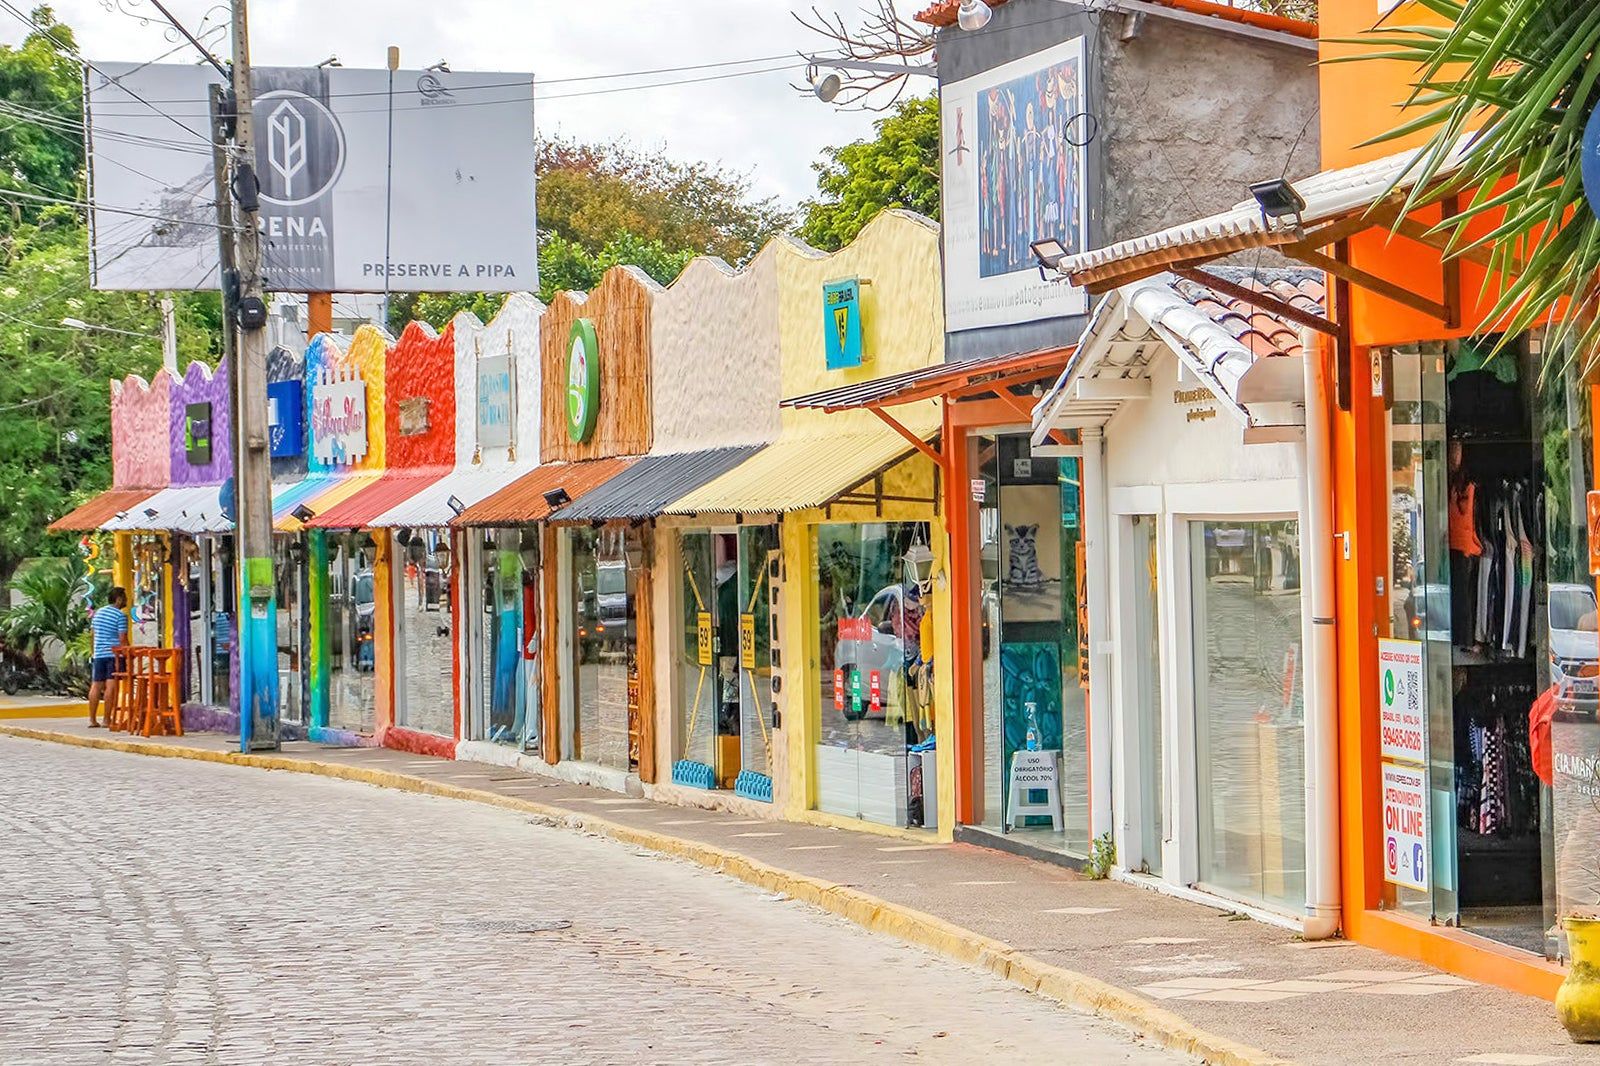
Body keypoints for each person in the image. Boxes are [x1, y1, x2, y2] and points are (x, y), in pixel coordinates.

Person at [87, 587, 129, 728]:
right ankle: (106, 720)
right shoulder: (120, 616)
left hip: (99, 655)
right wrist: (127, 654)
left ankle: (92, 720)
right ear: (118, 599)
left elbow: (92, 635)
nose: (126, 600)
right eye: (124, 597)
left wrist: (93, 652)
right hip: (113, 655)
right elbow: (122, 639)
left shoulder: (98, 613)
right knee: (111, 686)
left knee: (96, 686)